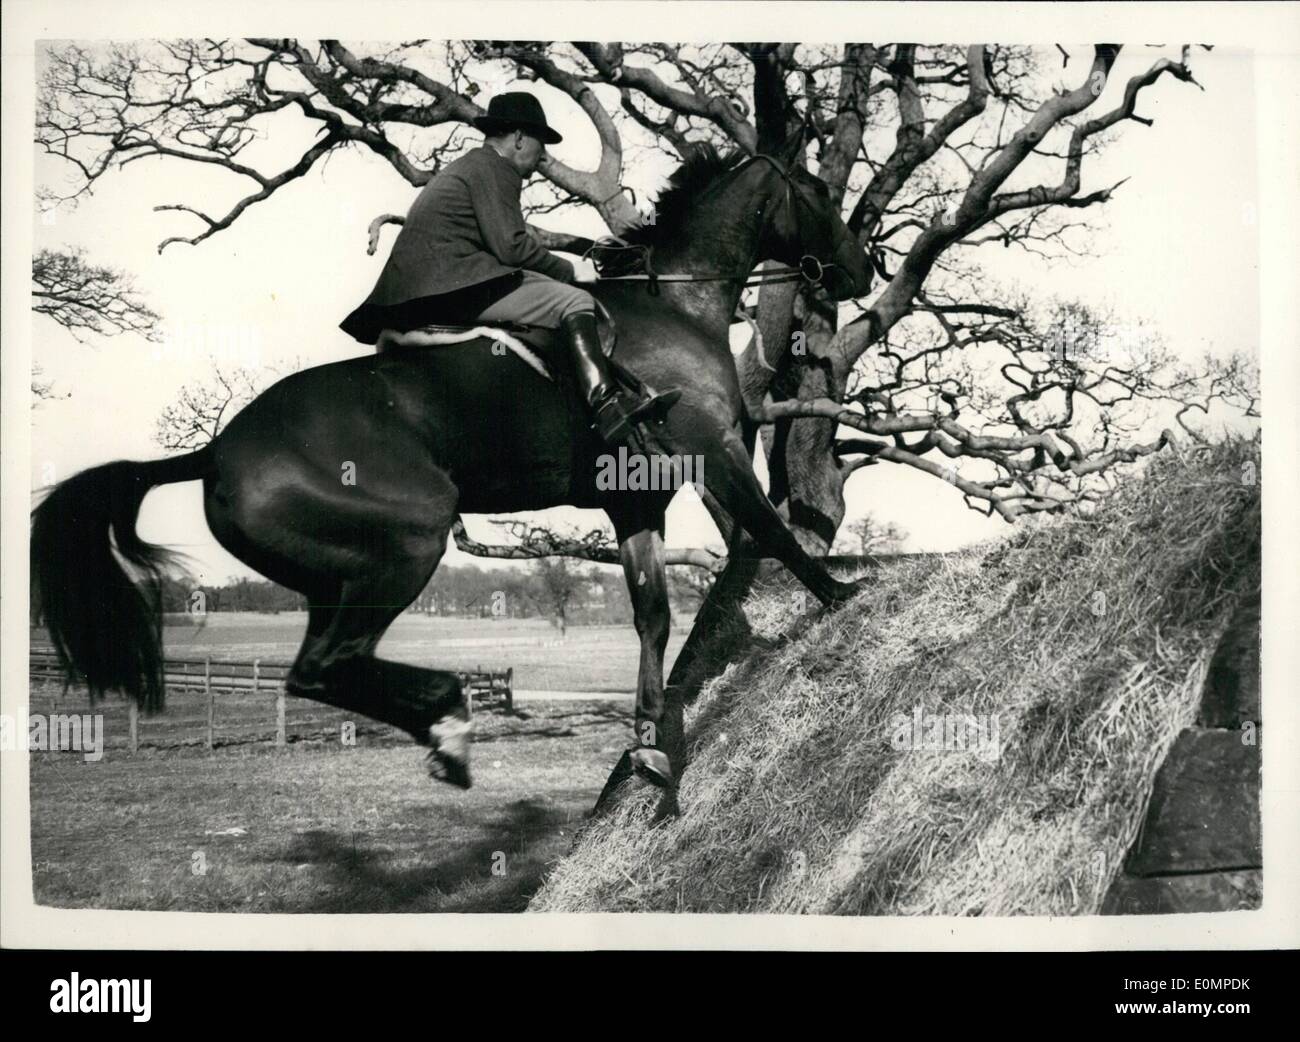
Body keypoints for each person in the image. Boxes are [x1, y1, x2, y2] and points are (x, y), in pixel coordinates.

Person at [339, 90, 678, 447]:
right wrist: (567, 270)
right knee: (575, 301)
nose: (542, 157)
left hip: (430, 285)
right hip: (448, 287)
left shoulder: (472, 166)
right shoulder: (494, 168)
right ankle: (608, 406)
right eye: (540, 144)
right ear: (518, 138)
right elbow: (512, 246)